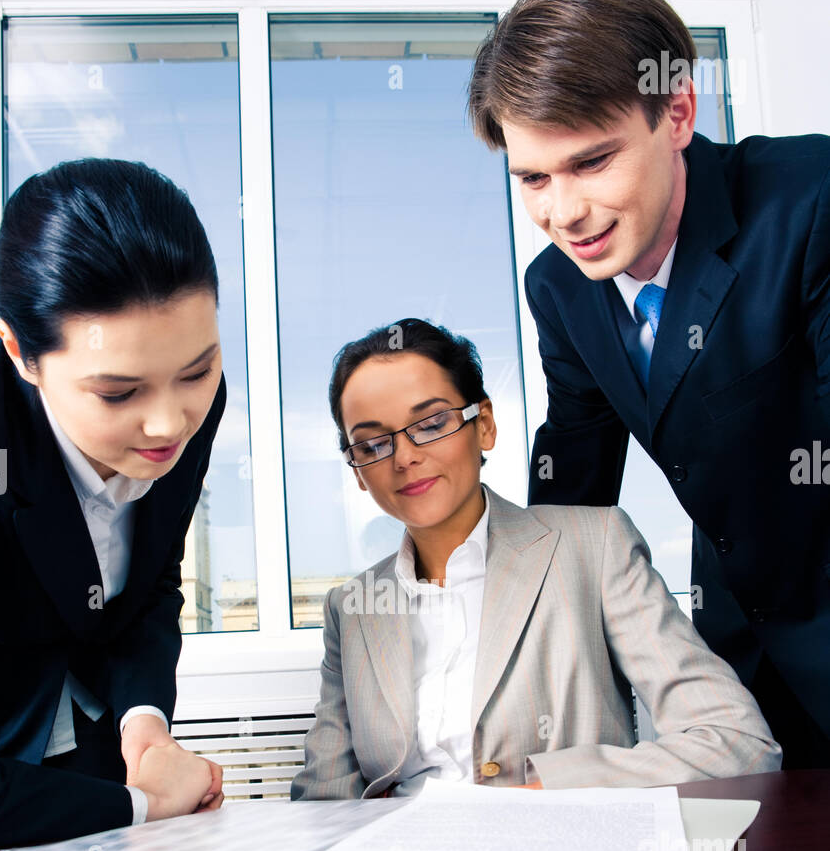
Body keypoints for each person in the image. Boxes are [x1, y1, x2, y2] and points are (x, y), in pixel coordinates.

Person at [467, 0, 830, 768]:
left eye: (592, 163)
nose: (564, 213)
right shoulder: (560, 289)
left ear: (677, 114)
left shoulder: (810, 203)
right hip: (744, 654)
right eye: (534, 177)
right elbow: (574, 482)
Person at [290, 318, 781, 799]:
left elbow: (736, 742)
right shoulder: (352, 608)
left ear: (483, 425)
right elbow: (323, 798)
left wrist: (556, 786)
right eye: (373, 443)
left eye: (432, 422)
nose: (404, 457)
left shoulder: (594, 545)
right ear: (357, 472)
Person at [0, 157, 226, 851]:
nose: (170, 423)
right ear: (22, 352)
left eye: (197, 371)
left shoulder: (186, 407)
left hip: (99, 753)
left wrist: (145, 725)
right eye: (118, 394)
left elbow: (147, 583)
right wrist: (141, 806)